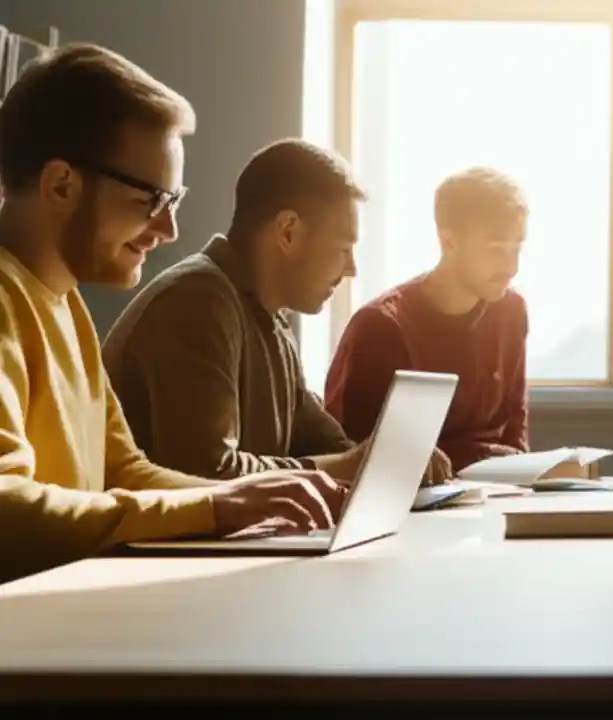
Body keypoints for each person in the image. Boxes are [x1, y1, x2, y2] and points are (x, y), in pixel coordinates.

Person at [0, 44, 344, 583]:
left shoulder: (62, 300)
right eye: (152, 200)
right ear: (61, 185)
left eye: (174, 202)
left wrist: (246, 495)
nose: (169, 230)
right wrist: (214, 508)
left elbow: (123, 472)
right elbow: (6, 509)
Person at [102, 139, 453, 483]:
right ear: (288, 232)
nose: (352, 270)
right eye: (344, 248)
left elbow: (331, 447)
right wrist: (347, 467)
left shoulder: (270, 320)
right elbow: (207, 473)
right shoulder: (196, 304)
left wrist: (388, 462)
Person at [325, 166, 529, 473]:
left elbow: (516, 433)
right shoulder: (381, 327)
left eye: (518, 247)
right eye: (496, 249)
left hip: (498, 494)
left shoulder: (511, 311)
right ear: (449, 242)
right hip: (413, 503)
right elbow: (360, 456)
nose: (512, 267)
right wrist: (483, 458)